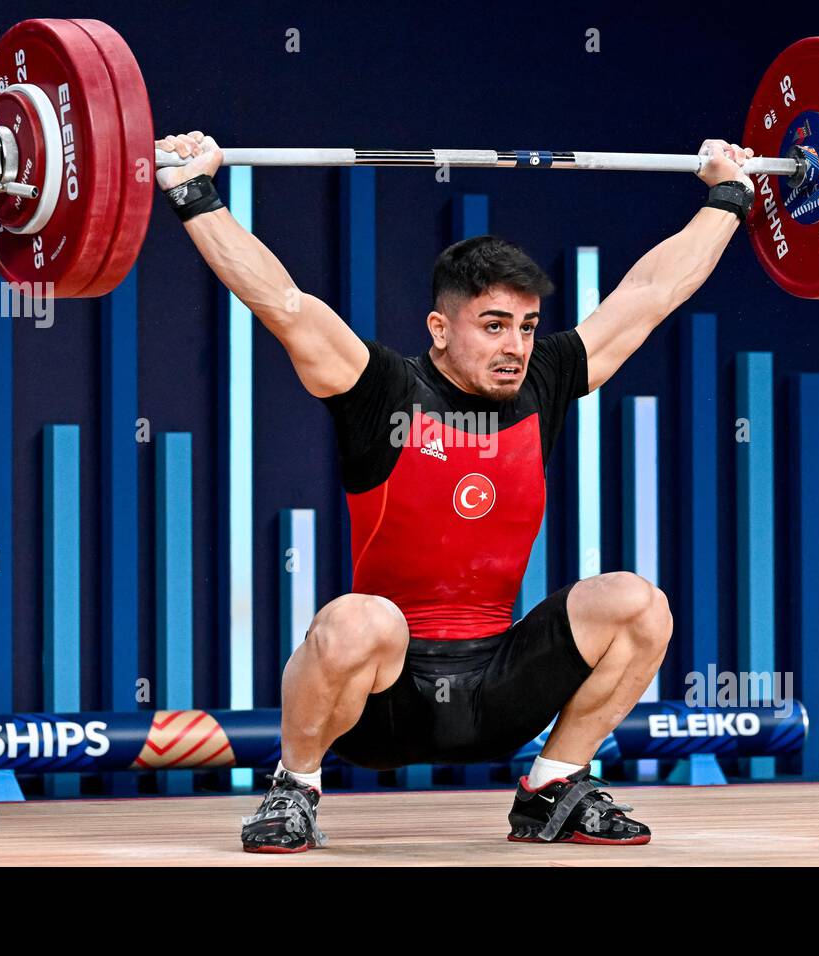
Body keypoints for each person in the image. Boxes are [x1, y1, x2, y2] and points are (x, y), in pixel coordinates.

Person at [156, 131, 755, 851]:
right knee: (356, 619)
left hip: (501, 689)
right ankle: (295, 790)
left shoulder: (547, 379)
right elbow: (282, 303)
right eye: (494, 326)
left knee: (638, 604)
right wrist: (194, 192)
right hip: (385, 701)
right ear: (440, 328)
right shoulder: (381, 389)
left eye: (528, 327)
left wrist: (729, 195)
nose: (517, 347)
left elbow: (651, 294)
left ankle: (553, 787)